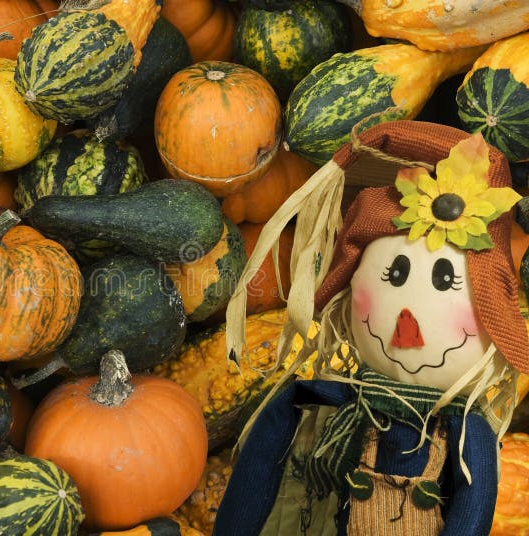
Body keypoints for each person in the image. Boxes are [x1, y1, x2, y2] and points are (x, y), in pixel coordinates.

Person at [215, 123, 529, 536]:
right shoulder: (337, 400)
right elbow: (268, 451)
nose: (407, 322)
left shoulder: (465, 431)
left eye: (445, 282)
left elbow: (472, 508)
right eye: (393, 274)